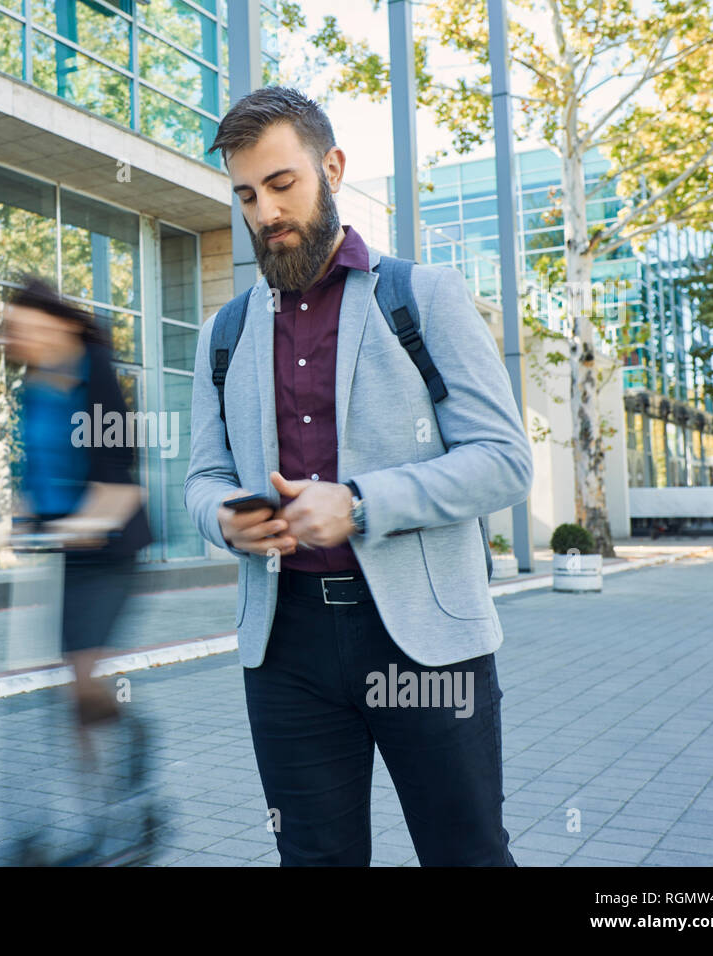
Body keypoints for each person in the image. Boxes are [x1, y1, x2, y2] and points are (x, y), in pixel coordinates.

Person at [185, 87, 534, 865]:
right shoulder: (227, 330)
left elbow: (505, 460)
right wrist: (227, 520)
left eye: (282, 184)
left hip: (424, 639)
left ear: (331, 167)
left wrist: (361, 504)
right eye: (246, 194)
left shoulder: (425, 297)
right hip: (286, 646)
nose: (265, 211)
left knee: (467, 854)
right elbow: (203, 475)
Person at [0, 277, 152, 749]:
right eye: (12, 330)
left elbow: (120, 471)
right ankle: (96, 812)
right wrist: (16, 520)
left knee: (84, 682)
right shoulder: (31, 389)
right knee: (72, 687)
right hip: (68, 550)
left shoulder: (96, 373)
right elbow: (31, 471)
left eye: (24, 327)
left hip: (110, 550)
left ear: (59, 325)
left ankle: (135, 759)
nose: (16, 339)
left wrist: (86, 523)